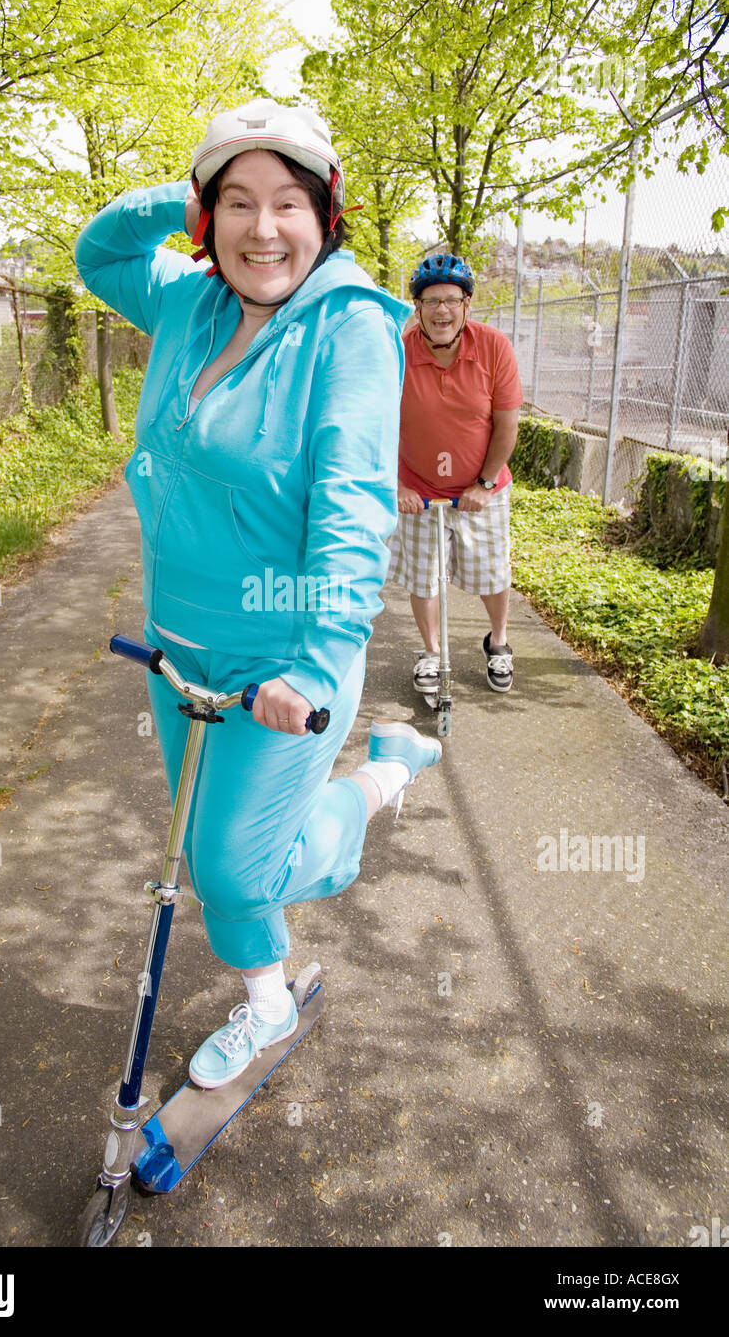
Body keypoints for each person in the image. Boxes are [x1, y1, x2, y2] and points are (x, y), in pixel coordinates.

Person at [75, 99, 441, 1091]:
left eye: (287, 201)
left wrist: (315, 670)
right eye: (236, 202)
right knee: (205, 853)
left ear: (324, 217)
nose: (262, 227)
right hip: (174, 647)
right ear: (206, 220)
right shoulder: (189, 303)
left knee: (241, 866)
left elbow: (355, 507)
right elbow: (99, 253)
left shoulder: (348, 329)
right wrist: (180, 193)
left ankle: (382, 775)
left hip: (281, 664)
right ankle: (268, 1001)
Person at [388, 253, 523, 694]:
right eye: (431, 301)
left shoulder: (493, 347)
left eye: (451, 300)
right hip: (419, 490)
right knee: (422, 576)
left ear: (466, 306)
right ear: (418, 309)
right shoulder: (399, 353)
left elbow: (506, 424)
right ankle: (431, 652)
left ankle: (499, 642)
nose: (441, 310)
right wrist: (398, 484)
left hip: (481, 488)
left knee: (492, 572)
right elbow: (376, 422)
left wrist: (484, 484)